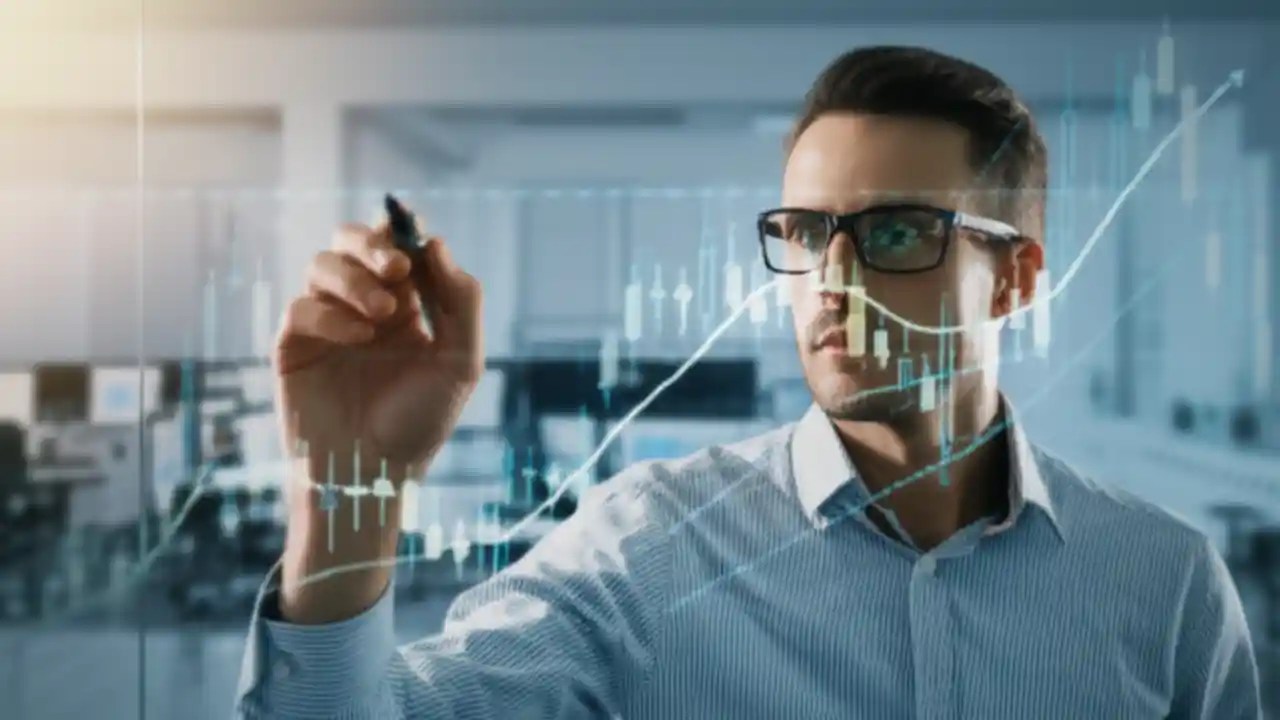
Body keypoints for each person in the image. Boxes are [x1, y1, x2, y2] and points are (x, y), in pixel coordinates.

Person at [235, 46, 1261, 718]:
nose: (834, 280)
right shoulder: (644, 554)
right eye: (807, 233)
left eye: (896, 231)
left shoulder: (1161, 586)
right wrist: (345, 499)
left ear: (1015, 277)